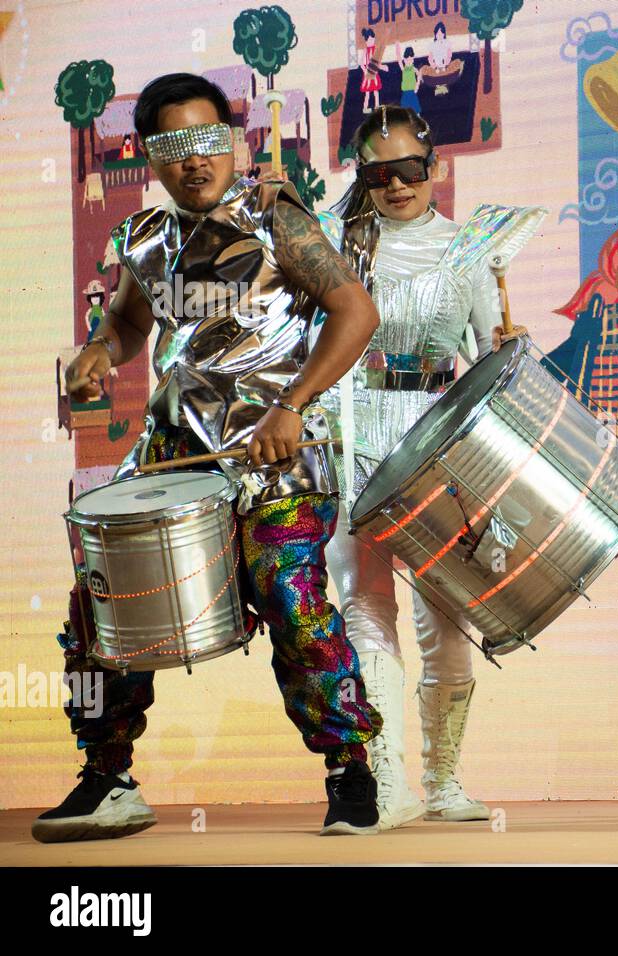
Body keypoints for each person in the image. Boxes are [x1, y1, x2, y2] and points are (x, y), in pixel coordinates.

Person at [33, 73, 385, 842]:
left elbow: (355, 311)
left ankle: (350, 770)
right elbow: (127, 323)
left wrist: (291, 407)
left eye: (207, 142)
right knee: (100, 602)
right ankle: (107, 778)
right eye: (173, 147)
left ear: (234, 143)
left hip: (275, 453)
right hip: (176, 455)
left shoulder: (274, 216)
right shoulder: (144, 238)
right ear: (152, 157)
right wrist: (99, 350)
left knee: (287, 593)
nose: (194, 161)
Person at [323, 105, 497, 827]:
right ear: (362, 176)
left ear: (435, 168)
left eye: (411, 171)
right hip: (353, 435)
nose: (397, 186)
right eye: (379, 173)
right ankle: (386, 778)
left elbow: (492, 356)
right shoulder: (335, 247)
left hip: (439, 440)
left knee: (450, 619)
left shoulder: (470, 249)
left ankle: (445, 779)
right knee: (365, 609)